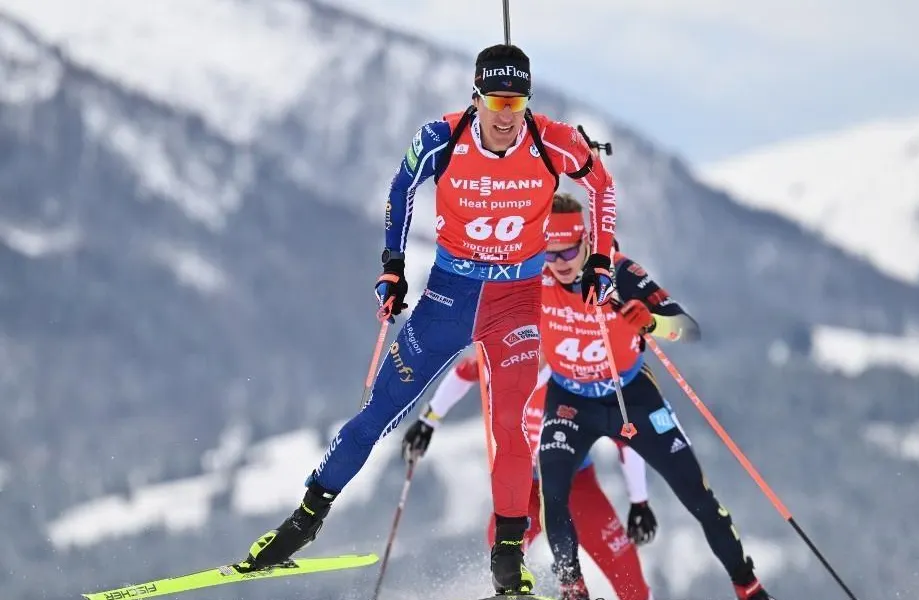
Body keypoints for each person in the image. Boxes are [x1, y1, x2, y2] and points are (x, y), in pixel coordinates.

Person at [235, 44, 618, 596]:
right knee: (381, 412)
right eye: (495, 100)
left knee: (510, 426)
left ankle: (508, 554)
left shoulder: (553, 140)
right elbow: (400, 188)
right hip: (449, 296)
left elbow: (601, 185)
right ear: (477, 97)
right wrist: (392, 268)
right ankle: (305, 518)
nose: (506, 115)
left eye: (516, 102)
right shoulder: (442, 136)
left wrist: (601, 259)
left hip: (515, 301)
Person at [535, 193, 777, 600]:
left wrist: (652, 323)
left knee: (697, 495)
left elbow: (688, 328)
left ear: (587, 239)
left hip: (631, 395)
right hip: (570, 401)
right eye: (550, 253)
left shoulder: (620, 272)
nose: (559, 263)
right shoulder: (533, 275)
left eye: (569, 251)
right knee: (553, 492)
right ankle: (571, 588)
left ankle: (748, 585)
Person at [402, 353, 658, 600]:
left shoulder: (572, 379)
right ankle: (516, 588)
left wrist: (640, 502)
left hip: (575, 485)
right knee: (500, 542)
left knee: (628, 575)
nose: (535, 352)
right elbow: (464, 372)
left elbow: (625, 439)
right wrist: (428, 421)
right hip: (525, 486)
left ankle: (574, 588)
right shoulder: (503, 362)